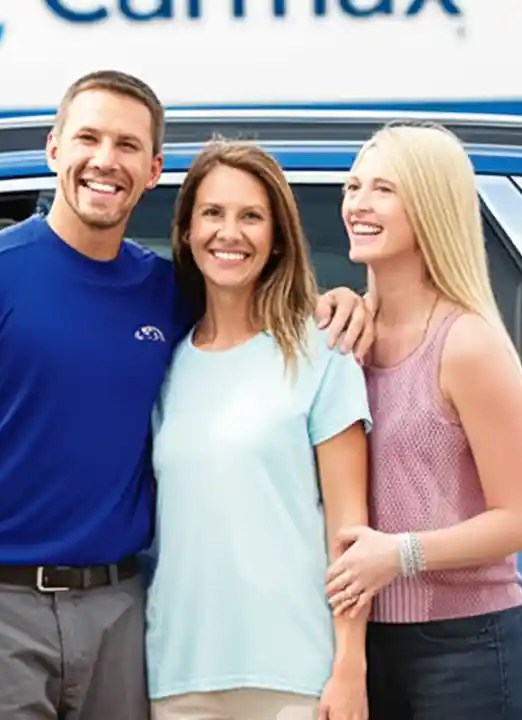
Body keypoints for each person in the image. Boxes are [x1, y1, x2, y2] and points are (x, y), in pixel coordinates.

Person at [0, 69, 373, 720]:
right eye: (89, 138)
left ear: (152, 169)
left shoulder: (163, 293)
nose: (104, 161)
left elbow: (245, 297)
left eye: (127, 145)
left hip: (120, 611)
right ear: (55, 149)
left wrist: (332, 303)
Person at [323, 121, 522, 718]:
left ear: (430, 205)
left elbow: (518, 520)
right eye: (353, 187)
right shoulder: (341, 336)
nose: (357, 204)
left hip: (469, 650)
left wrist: (399, 555)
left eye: (383, 190)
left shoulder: (467, 345)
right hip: (366, 647)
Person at [144, 139, 370, 720]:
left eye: (251, 216)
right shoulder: (163, 364)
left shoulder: (324, 349)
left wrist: (350, 664)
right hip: (179, 674)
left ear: (275, 239)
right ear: (187, 231)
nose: (230, 233)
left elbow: (350, 534)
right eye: (212, 214)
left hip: (295, 675)